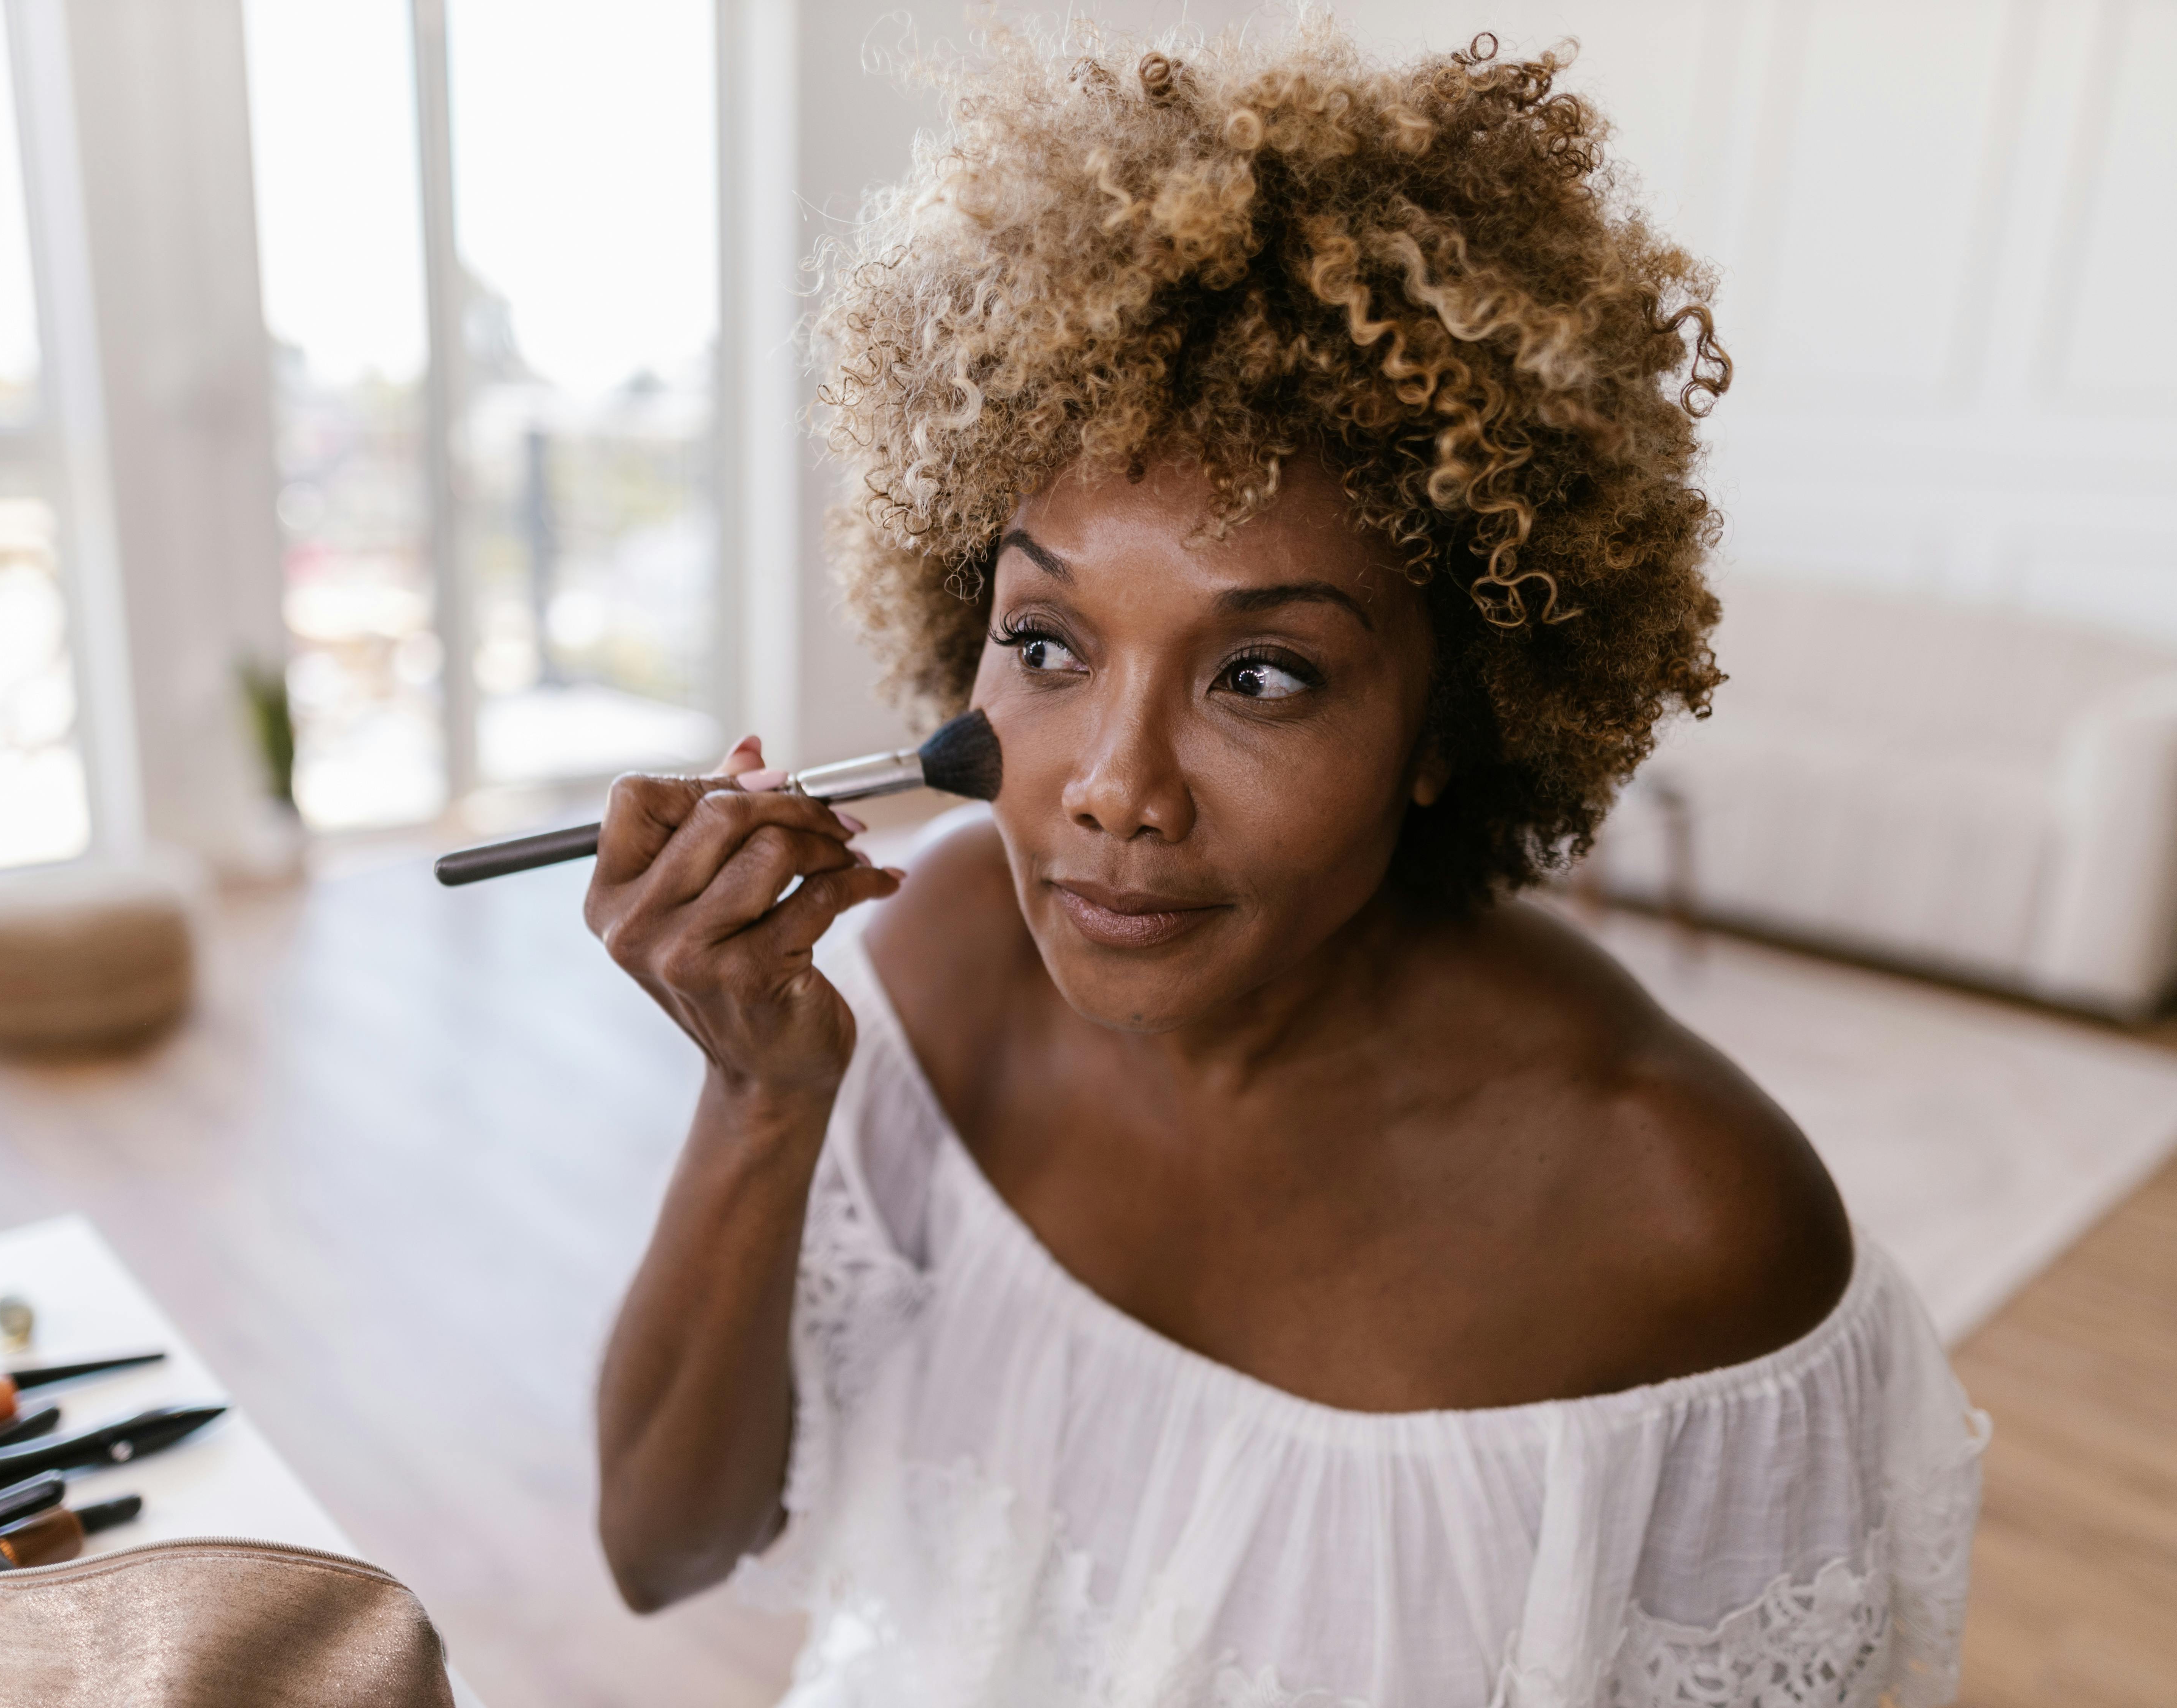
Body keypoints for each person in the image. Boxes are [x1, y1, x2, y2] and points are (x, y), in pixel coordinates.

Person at [585, 20, 1985, 1707]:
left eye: (1261, 675)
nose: (1114, 791)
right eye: (1048, 643)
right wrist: (761, 1101)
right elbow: (662, 1549)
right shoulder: (935, 962)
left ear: (1450, 723)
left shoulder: (1687, 1224)